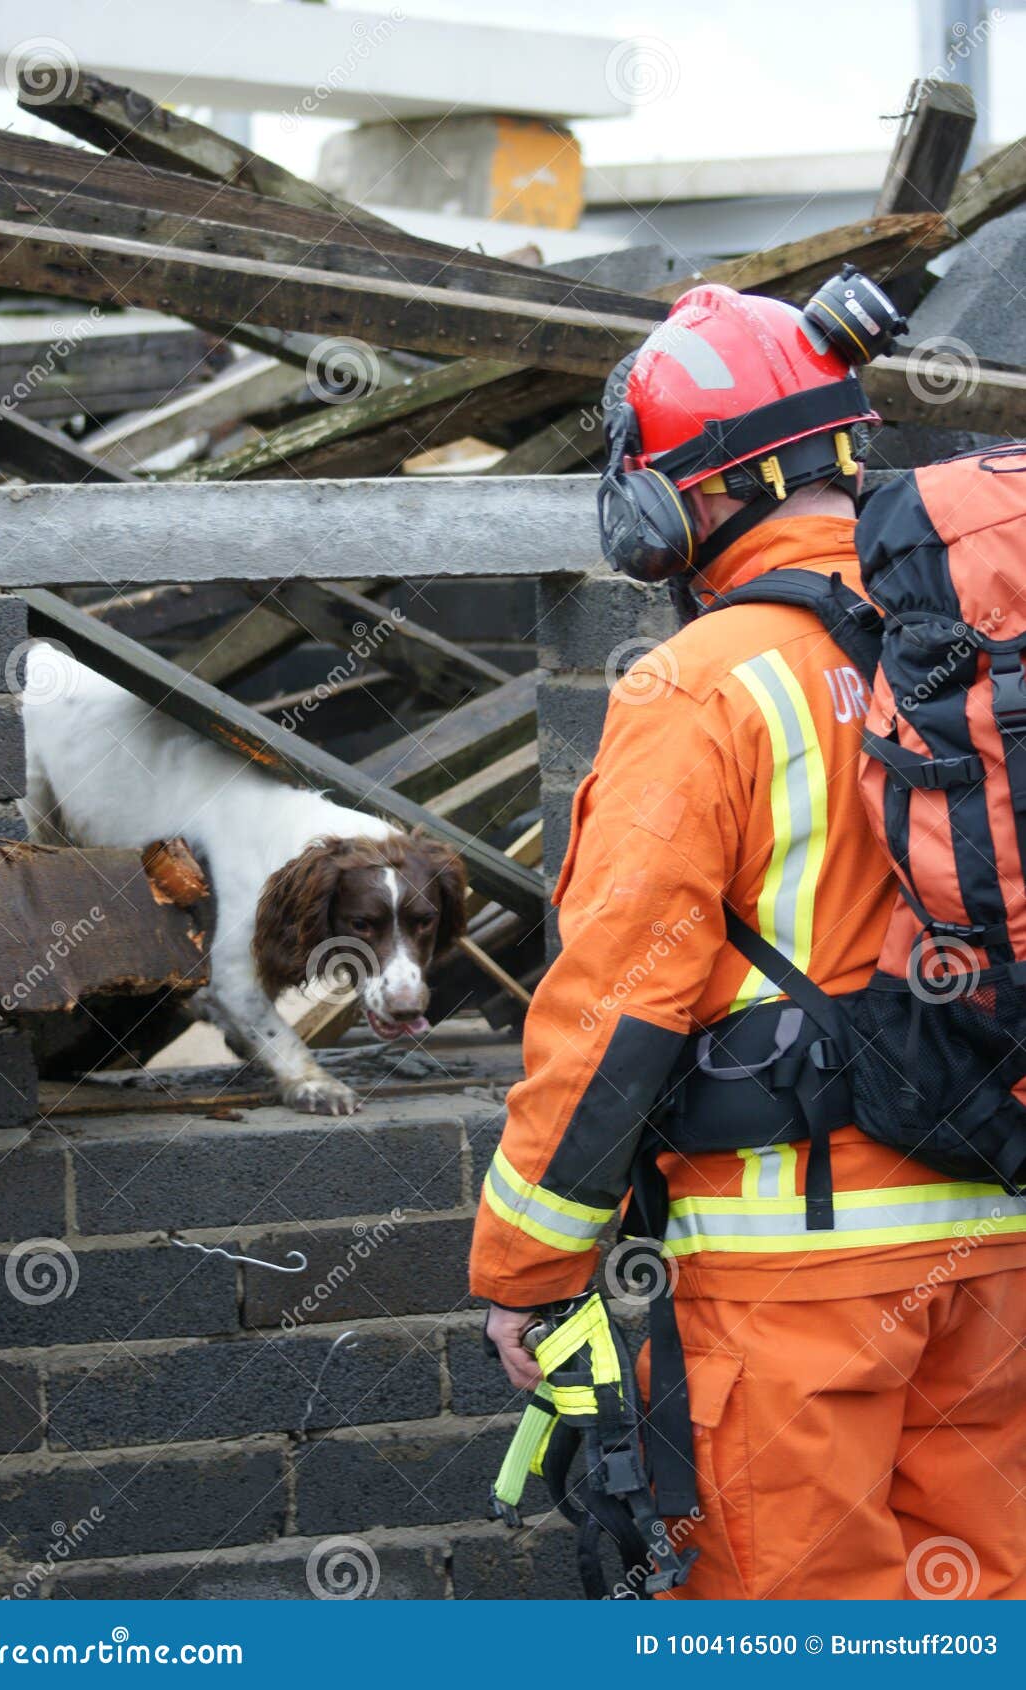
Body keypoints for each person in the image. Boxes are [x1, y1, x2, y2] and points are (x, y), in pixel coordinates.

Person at [470, 277, 1026, 1600]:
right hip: (994, 1243)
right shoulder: (969, 642)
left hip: (799, 1276)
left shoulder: (702, 684)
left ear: (676, 503)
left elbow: (615, 1003)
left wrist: (528, 1271)